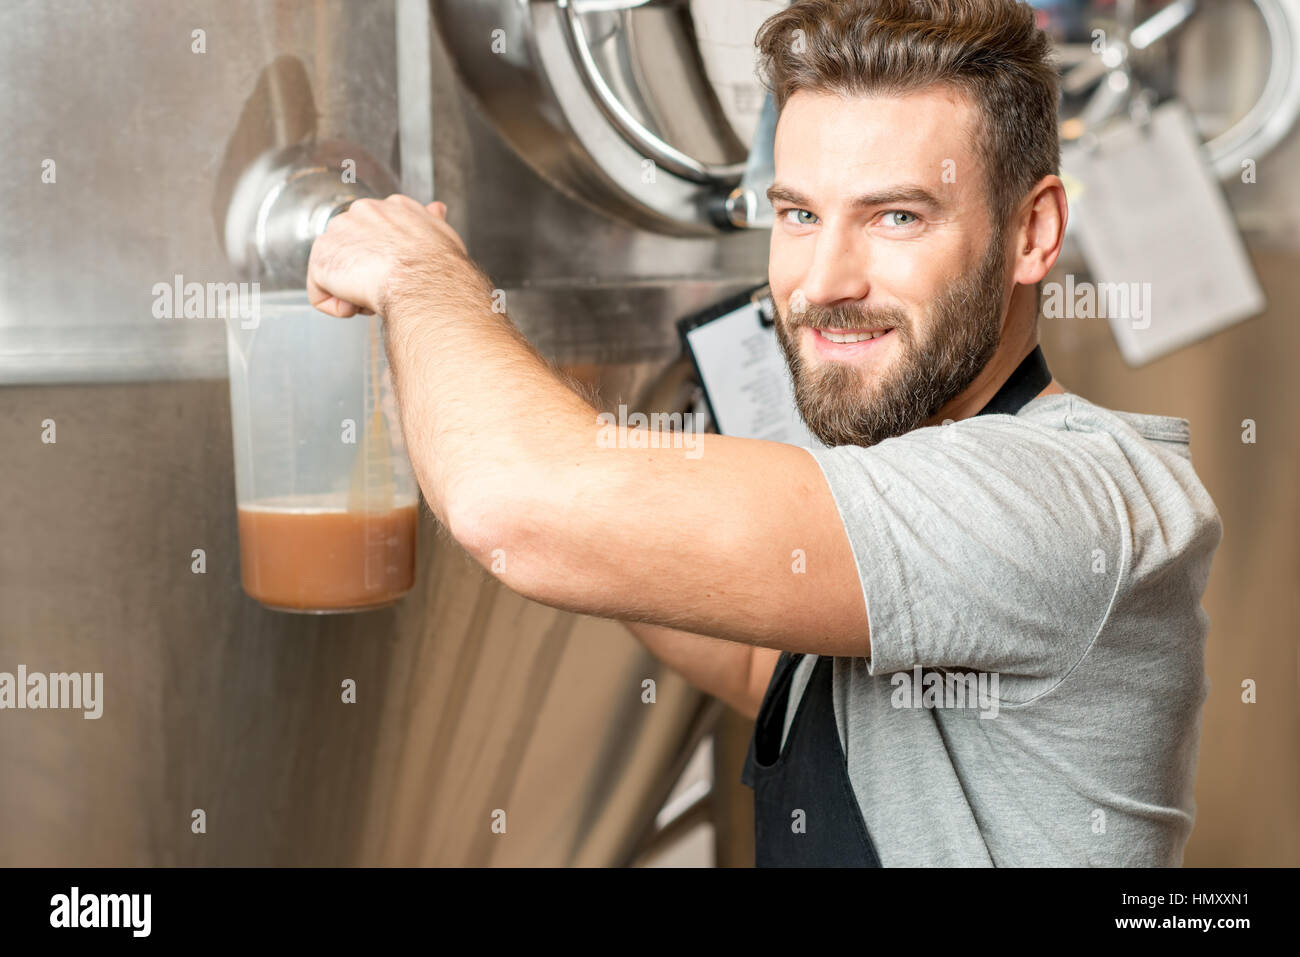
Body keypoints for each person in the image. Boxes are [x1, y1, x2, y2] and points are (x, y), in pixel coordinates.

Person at [304, 0, 1222, 866]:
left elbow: (513, 504)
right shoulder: (909, 498)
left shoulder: (1062, 498)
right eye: (798, 215)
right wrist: (586, 485)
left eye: (895, 216)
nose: (824, 281)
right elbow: (763, 666)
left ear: (1034, 231)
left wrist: (418, 276)